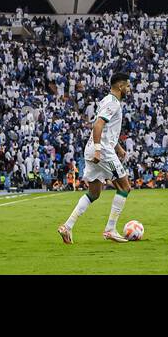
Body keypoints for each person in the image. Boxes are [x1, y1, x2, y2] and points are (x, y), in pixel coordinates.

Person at [58, 72, 134, 245]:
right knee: (125, 187)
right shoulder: (113, 103)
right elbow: (98, 125)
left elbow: (106, 129)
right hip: (102, 150)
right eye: (128, 86)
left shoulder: (106, 100)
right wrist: (99, 150)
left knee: (94, 193)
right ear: (120, 86)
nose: (129, 89)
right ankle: (110, 229)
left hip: (94, 148)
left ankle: (67, 226)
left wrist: (118, 148)